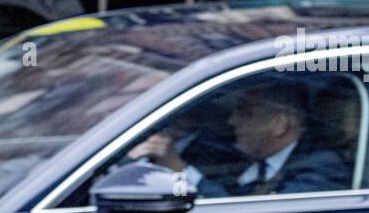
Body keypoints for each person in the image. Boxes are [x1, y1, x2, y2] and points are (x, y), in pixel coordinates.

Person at [129, 79, 350, 198]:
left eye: (245, 112)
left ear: (280, 124)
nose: (232, 121)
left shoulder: (322, 169)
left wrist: (180, 173)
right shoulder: (242, 155)